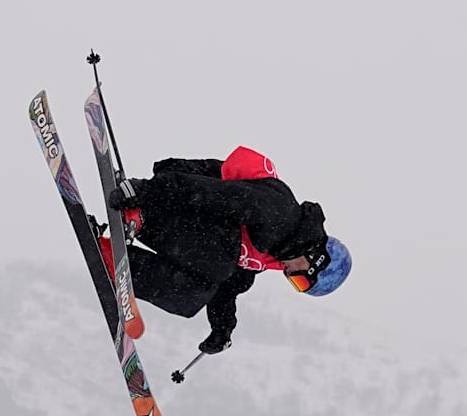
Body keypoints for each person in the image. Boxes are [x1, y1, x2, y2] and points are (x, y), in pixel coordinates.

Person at [104, 146, 352, 355]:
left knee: (191, 297)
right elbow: (209, 193)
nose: (289, 277)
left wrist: (222, 327)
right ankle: (142, 218)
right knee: (222, 262)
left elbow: (229, 286)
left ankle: (111, 259)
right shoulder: (278, 212)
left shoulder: (275, 252)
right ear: (314, 258)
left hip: (182, 220)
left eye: (296, 285)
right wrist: (144, 192)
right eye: (299, 279)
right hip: (172, 194)